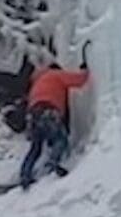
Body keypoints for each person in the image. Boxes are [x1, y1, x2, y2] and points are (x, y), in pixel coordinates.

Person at [20, 57, 90, 189]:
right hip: (48, 110)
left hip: (32, 115)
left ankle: (25, 175)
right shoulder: (56, 75)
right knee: (60, 139)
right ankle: (54, 163)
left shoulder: (38, 81)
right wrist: (84, 70)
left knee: (35, 148)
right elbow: (79, 80)